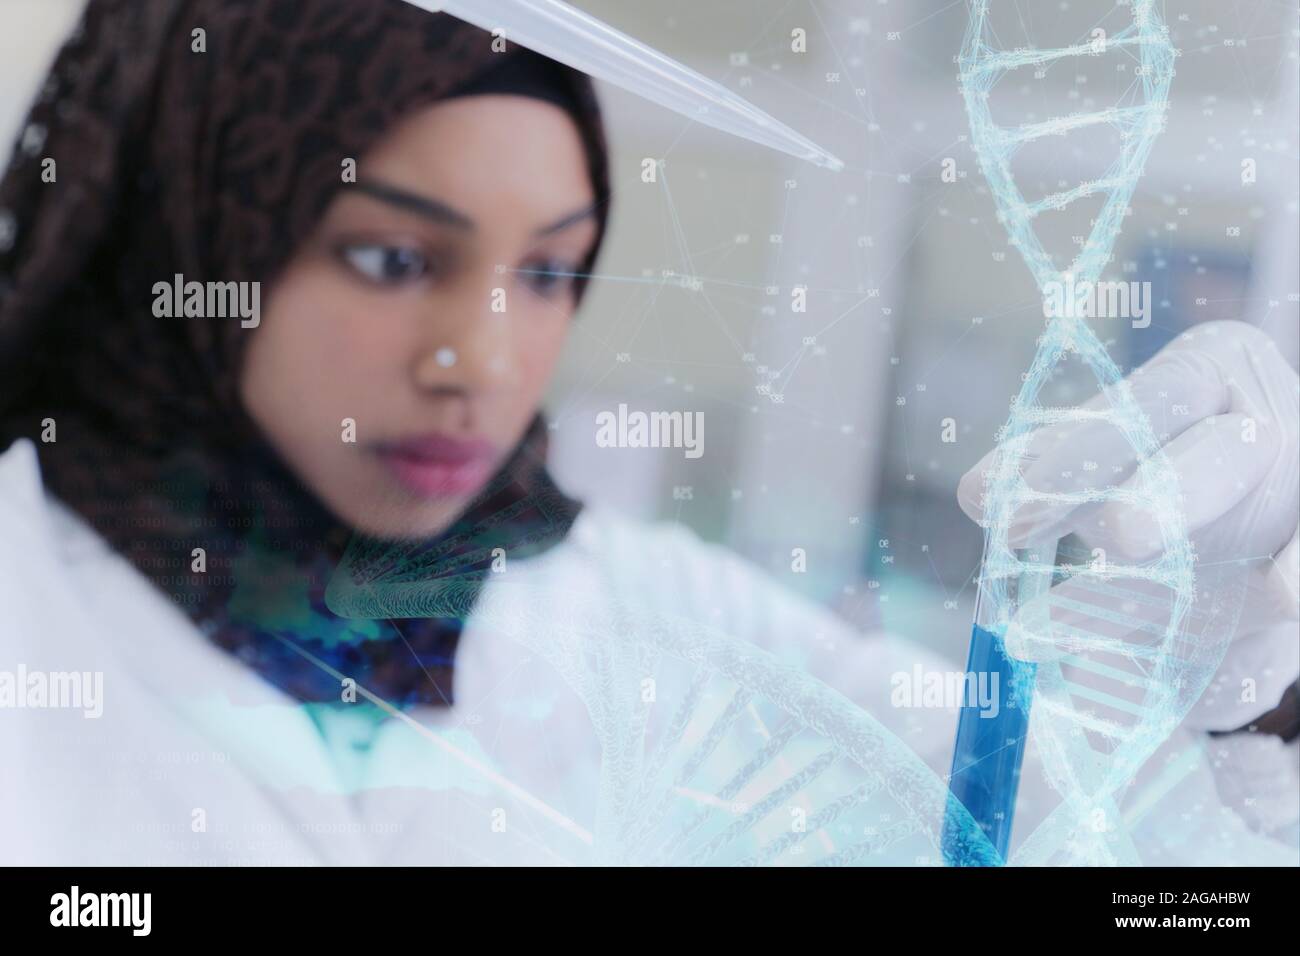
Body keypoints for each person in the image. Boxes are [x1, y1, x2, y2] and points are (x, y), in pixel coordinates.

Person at [0, 0, 1295, 866]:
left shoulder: (613, 603)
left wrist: (1214, 692)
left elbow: (1048, 819)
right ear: (186, 229)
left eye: (550, 274)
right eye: (395, 258)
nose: (484, 363)